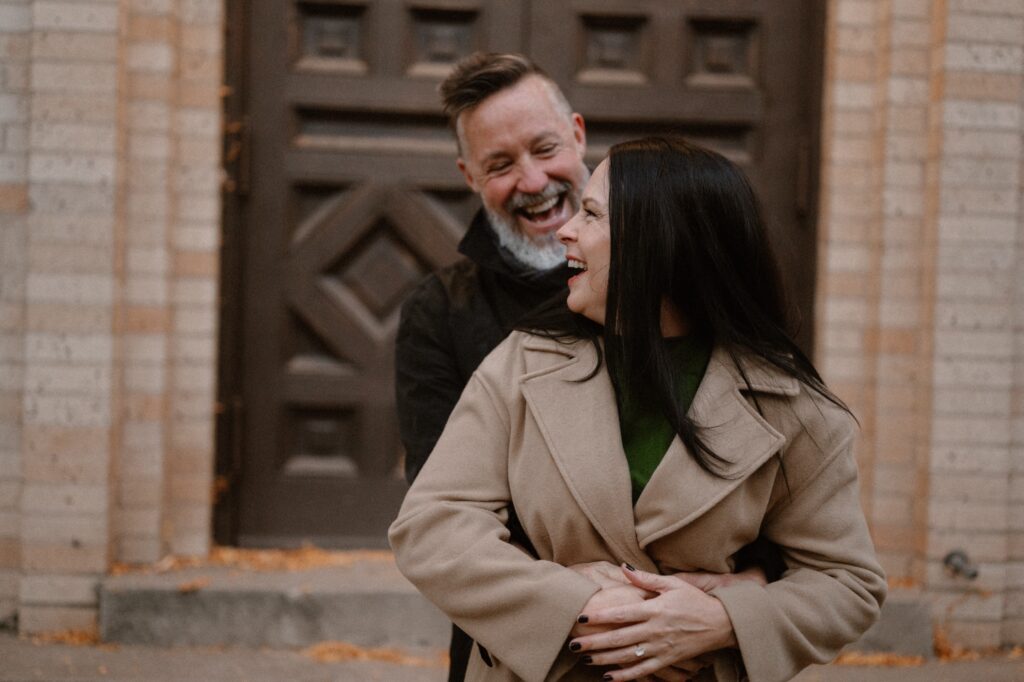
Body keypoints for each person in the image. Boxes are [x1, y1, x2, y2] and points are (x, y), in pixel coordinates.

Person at [389, 136, 887, 682]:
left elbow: (846, 582)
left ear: (660, 243)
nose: (565, 231)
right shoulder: (523, 363)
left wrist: (723, 620)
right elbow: (433, 527)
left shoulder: (792, 406)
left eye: (592, 214)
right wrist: (575, 606)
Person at [395, 53, 777, 682]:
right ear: (468, 176)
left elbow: (774, 486)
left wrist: (745, 595)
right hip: (529, 649)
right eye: (499, 165)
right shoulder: (440, 313)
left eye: (544, 148)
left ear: (576, 134)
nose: (533, 180)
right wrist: (569, 600)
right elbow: (438, 502)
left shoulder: (699, 284)